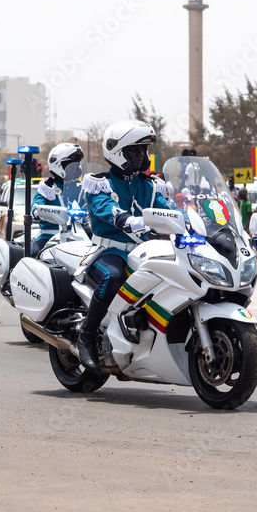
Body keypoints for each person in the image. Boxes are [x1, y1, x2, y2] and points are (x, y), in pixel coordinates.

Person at [77, 120, 172, 373]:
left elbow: (168, 210)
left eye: (143, 150)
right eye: (134, 150)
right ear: (117, 152)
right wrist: (125, 219)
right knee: (114, 276)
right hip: (109, 251)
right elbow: (104, 208)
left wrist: (191, 221)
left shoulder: (149, 185)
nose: (141, 155)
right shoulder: (100, 182)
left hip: (145, 251)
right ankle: (86, 335)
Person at [30, 142, 84, 256]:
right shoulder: (47, 187)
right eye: (72, 165)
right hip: (50, 235)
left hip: (78, 235)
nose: (76, 168)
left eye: (77, 165)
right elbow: (36, 204)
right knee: (35, 253)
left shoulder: (80, 187)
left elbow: (89, 206)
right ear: (59, 165)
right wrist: (37, 210)